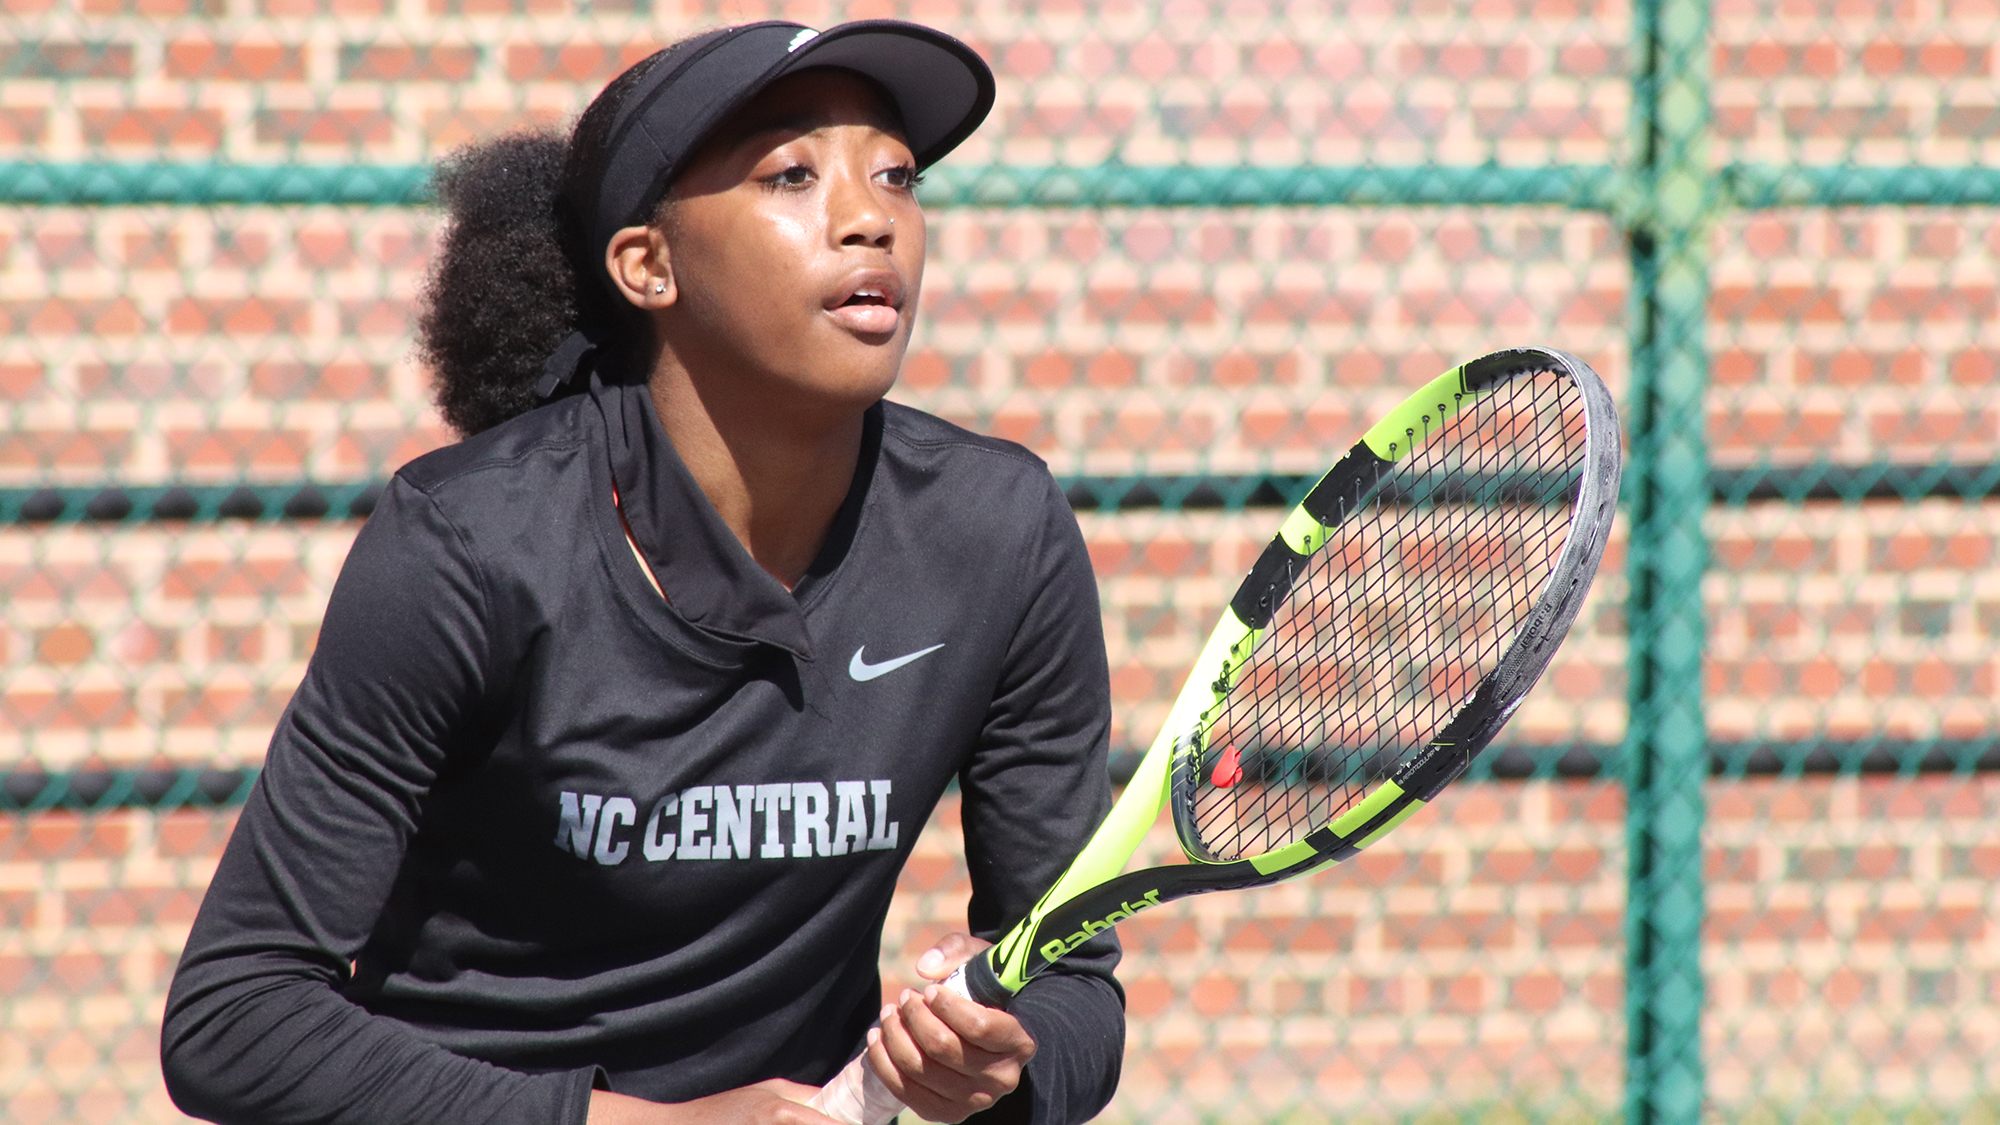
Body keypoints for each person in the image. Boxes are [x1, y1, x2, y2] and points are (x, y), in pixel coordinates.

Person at [160, 20, 1124, 1125]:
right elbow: (235, 1019)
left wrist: (995, 1066)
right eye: (791, 173)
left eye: (896, 175)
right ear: (647, 266)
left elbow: (1074, 988)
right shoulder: (471, 545)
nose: (871, 218)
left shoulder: (997, 530)